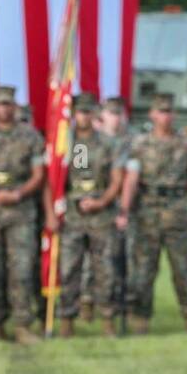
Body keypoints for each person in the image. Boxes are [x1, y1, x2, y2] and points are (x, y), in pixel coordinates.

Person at [118, 93, 187, 335]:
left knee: (182, 267)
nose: (166, 116)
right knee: (144, 268)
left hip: (176, 211)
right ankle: (140, 318)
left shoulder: (186, 144)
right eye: (161, 111)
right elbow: (131, 180)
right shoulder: (140, 144)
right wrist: (124, 210)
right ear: (152, 114)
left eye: (169, 111)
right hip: (147, 211)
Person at [0, 85, 45, 343]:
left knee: (22, 270)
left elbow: (39, 175)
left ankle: (23, 325)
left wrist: (18, 194)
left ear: (15, 106)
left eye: (9, 104)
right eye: (1, 104)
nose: (5, 109)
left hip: (21, 213)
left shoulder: (30, 137)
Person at [50, 93, 124, 337]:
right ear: (72, 114)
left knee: (105, 269)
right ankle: (67, 321)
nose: (84, 116)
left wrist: (102, 201)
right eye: (80, 112)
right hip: (73, 216)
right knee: (70, 268)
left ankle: (107, 319)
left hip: (101, 216)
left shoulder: (108, 143)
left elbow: (117, 178)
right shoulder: (63, 144)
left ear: (95, 114)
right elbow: (53, 178)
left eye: (88, 111)